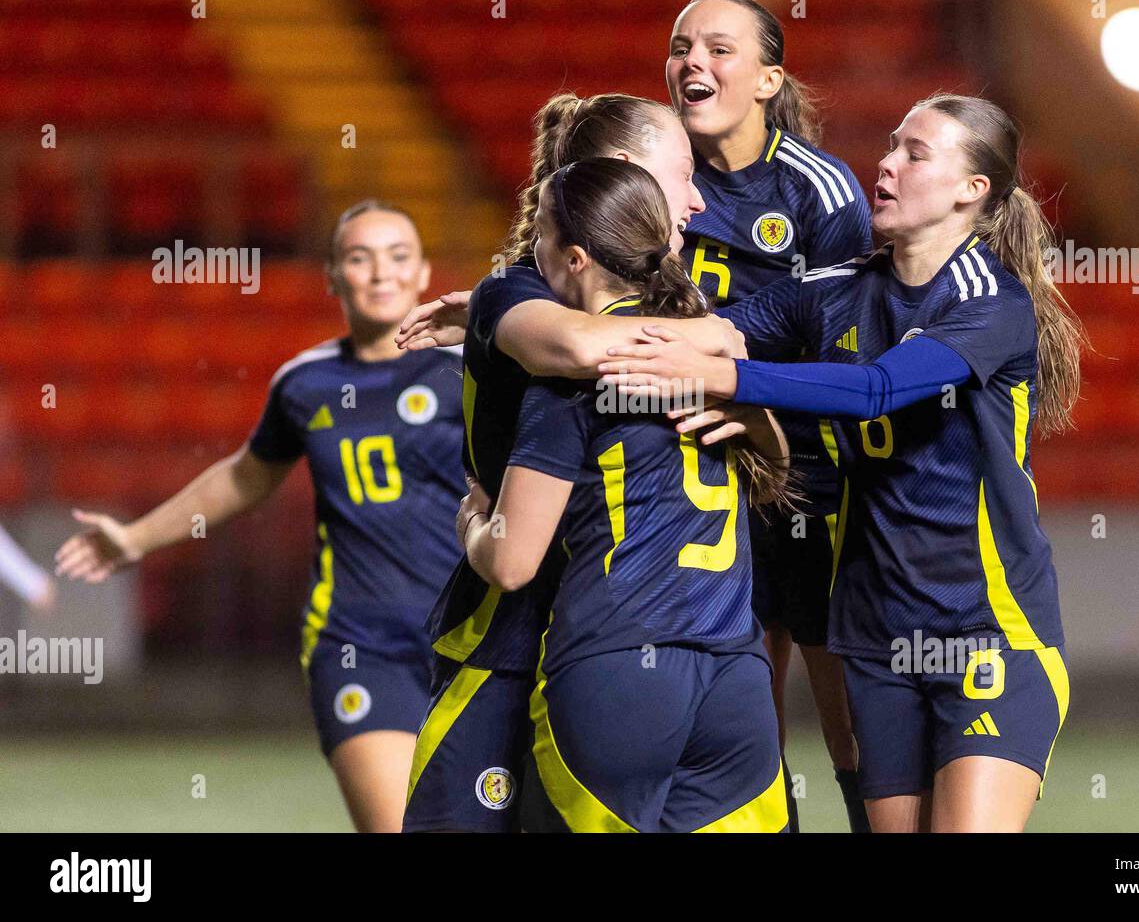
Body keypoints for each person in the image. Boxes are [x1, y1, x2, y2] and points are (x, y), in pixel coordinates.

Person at [596, 94, 1083, 832]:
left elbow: (876, 390)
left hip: (990, 633)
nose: (885, 163)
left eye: (915, 153)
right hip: (875, 636)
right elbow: (701, 335)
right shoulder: (833, 291)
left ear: (971, 189)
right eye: (891, 145)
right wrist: (507, 310)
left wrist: (729, 381)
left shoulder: (989, 301)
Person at [55, 201, 464, 833]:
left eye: (397, 256)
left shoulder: (469, 372)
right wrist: (134, 539)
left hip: (472, 638)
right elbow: (246, 475)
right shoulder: (306, 382)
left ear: (422, 274)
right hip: (360, 646)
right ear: (331, 275)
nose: (380, 273)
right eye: (360, 257)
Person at [400, 92, 743, 832]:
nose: (695, 199)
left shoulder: (672, 305)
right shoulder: (524, 287)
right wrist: (719, 345)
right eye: (682, 173)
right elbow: (588, 349)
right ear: (623, 172)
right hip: (511, 637)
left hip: (617, 642)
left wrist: (724, 343)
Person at [464, 157, 789, 831]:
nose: (533, 251)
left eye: (543, 236)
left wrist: (472, 521)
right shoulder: (713, 357)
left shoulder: (565, 381)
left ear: (575, 258)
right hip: (736, 680)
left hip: (618, 672)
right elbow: (775, 472)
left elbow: (513, 560)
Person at [667, 0, 874, 831]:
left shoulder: (821, 192)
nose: (692, 64)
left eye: (719, 49)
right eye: (681, 47)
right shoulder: (649, 171)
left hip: (808, 477)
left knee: (846, 713)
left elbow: (853, 352)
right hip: (688, 470)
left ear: (767, 79)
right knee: (739, 708)